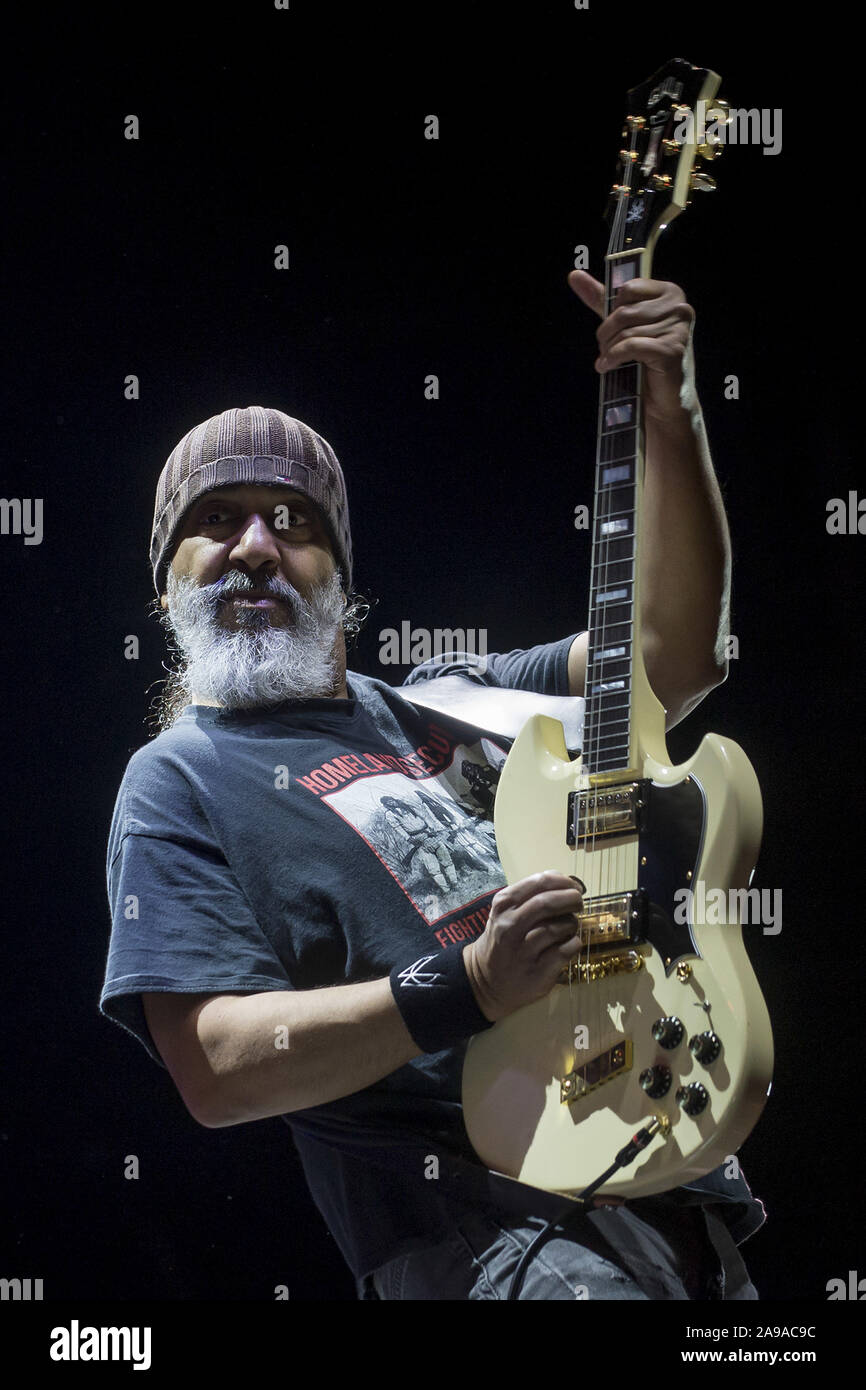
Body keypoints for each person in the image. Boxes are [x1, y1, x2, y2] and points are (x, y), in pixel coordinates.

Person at [99, 270, 766, 1300]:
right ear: (167, 580)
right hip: (486, 1246)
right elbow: (219, 1067)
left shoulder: (456, 702)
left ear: (340, 570)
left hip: (664, 1180)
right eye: (216, 520)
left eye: (293, 520)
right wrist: (468, 985)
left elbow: (676, 653)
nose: (257, 546)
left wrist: (671, 410)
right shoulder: (176, 779)